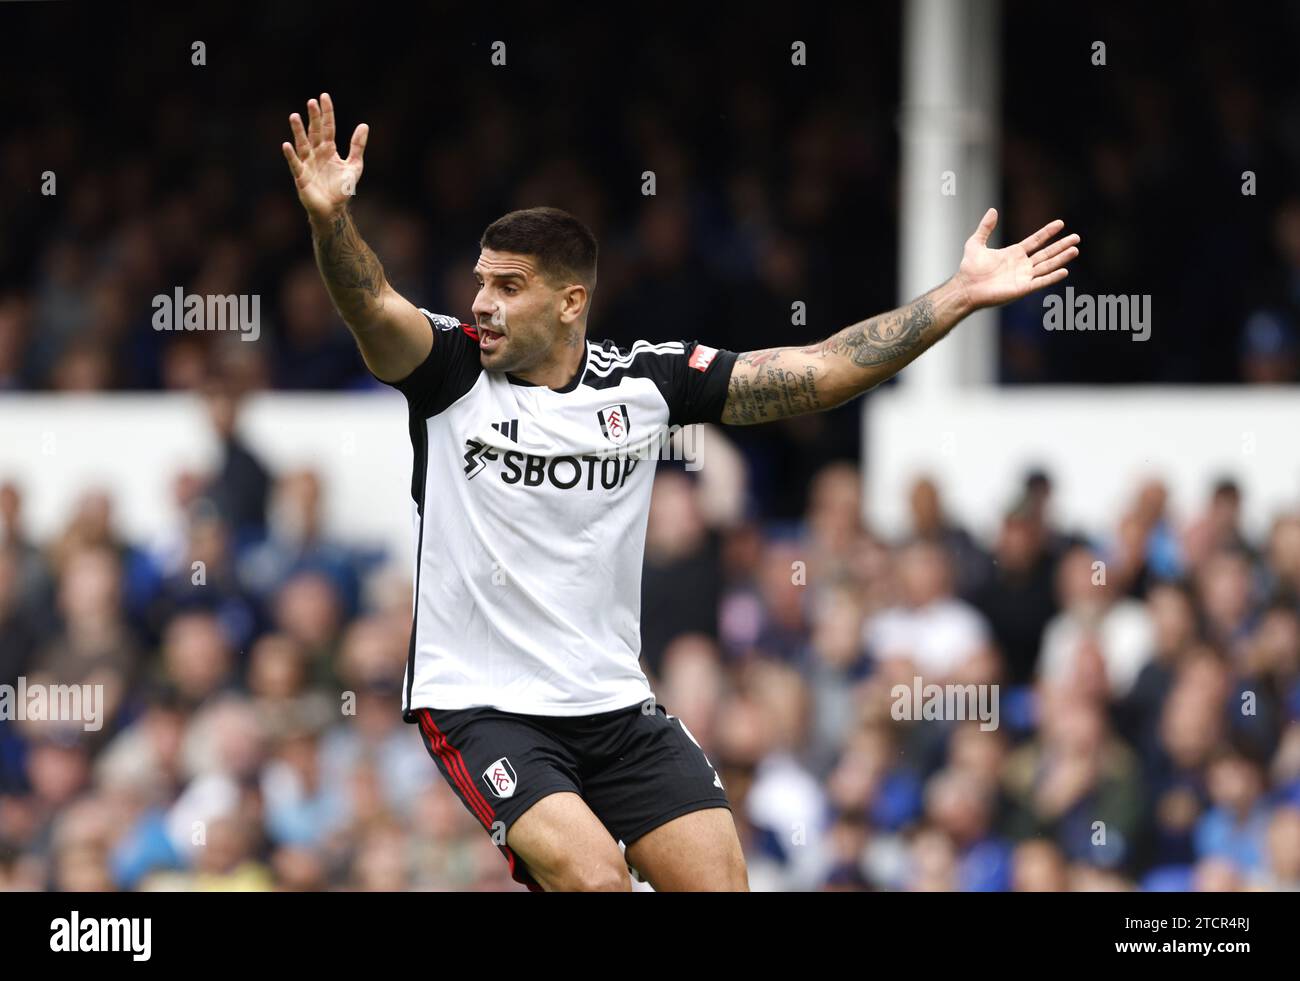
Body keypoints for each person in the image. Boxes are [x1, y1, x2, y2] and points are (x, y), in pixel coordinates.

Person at [279, 91, 1080, 892]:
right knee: (597, 881)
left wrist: (959, 294)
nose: (482, 302)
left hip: (614, 704)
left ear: (570, 303)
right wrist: (330, 222)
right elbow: (370, 303)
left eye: (509, 286)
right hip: (484, 705)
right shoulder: (447, 372)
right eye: (482, 281)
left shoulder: (648, 383)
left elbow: (822, 372)